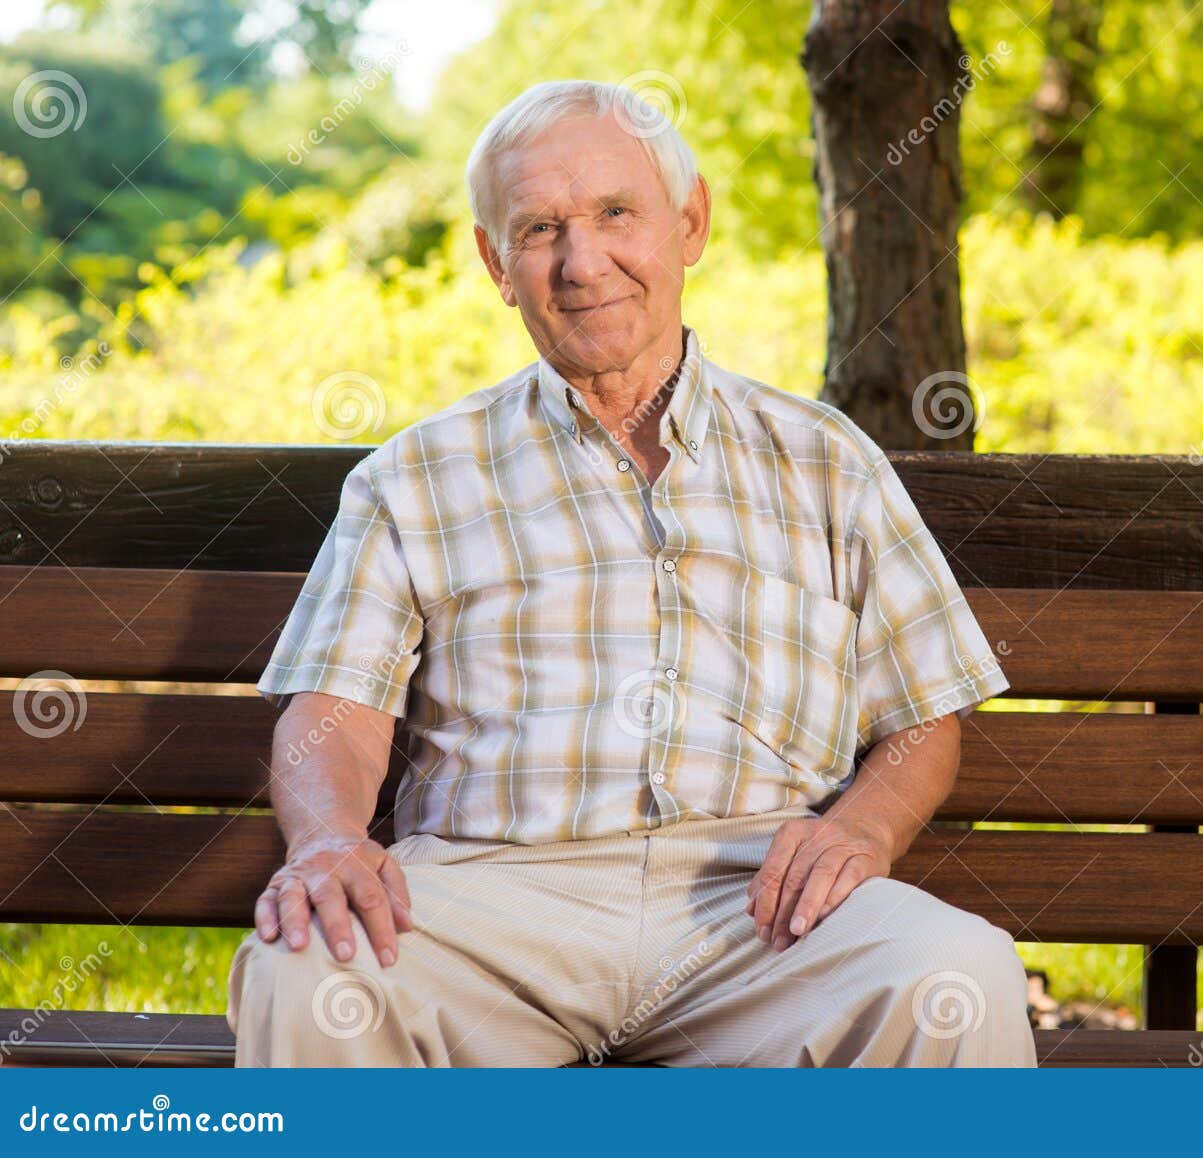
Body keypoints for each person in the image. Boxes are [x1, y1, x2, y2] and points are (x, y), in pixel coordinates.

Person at [225, 78, 1033, 1068]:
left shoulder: (827, 460)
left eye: (617, 214)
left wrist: (861, 832)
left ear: (688, 224)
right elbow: (334, 715)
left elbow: (923, 719)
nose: (581, 262)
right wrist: (326, 842)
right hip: (489, 904)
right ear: (495, 262)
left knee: (955, 975)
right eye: (539, 230)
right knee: (311, 968)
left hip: (757, 909)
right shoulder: (416, 474)